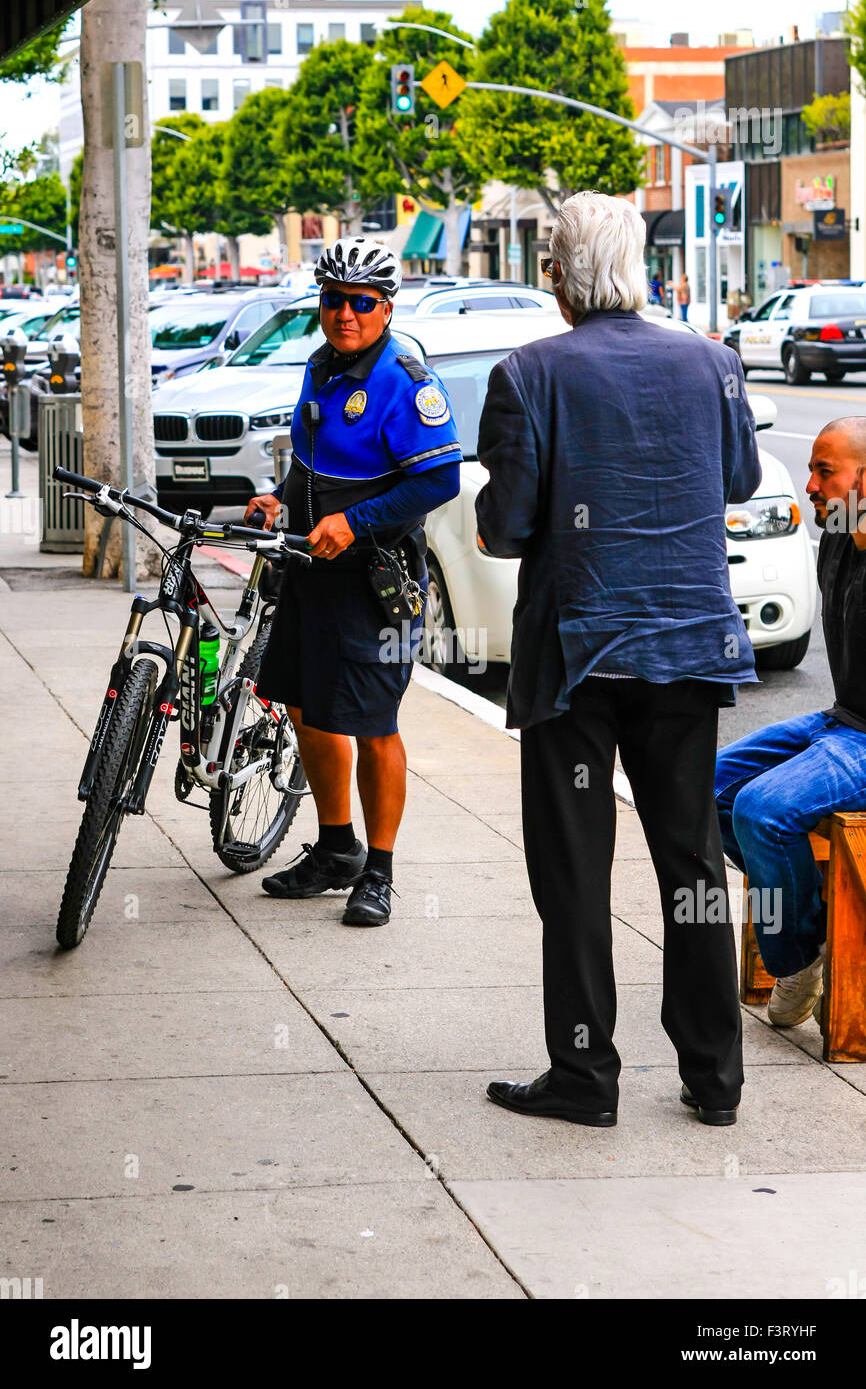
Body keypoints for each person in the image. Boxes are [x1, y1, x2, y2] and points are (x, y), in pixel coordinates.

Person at [475, 191, 761, 1128]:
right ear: (639, 267)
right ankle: (715, 1080)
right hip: (688, 647)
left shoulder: (529, 373)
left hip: (578, 657)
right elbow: (738, 479)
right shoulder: (713, 362)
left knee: (576, 875)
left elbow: (507, 530)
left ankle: (586, 1078)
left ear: (558, 276)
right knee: (693, 867)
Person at [244, 237, 462, 926]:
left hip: (376, 582)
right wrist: (279, 497)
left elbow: (439, 478)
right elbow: (312, 463)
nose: (345, 314)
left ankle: (379, 871)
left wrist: (357, 522)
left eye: (361, 302)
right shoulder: (321, 366)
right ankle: (335, 849)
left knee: (372, 724)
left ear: (386, 307)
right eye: (333, 300)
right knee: (306, 708)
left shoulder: (405, 378)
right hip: (309, 571)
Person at [715, 418, 866, 1027]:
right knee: (707, 789)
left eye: (825, 472)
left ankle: (798, 959)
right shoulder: (833, 534)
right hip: (843, 720)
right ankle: (812, 916)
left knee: (762, 811)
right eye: (811, 469)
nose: (810, 485)